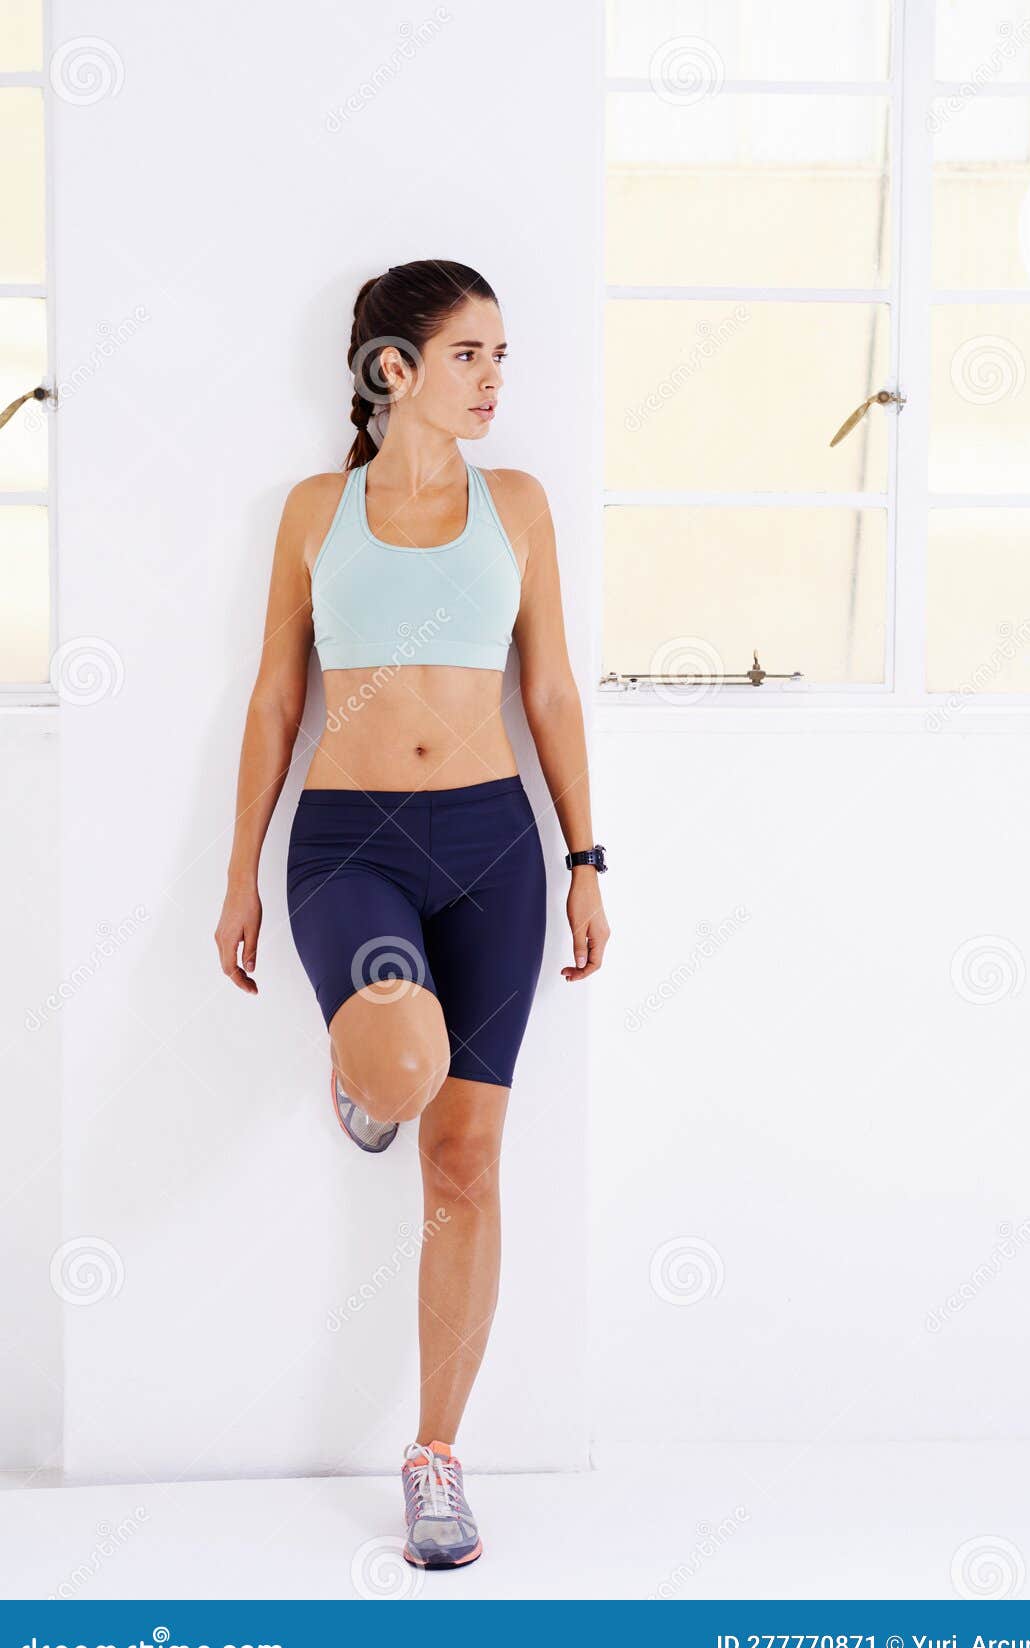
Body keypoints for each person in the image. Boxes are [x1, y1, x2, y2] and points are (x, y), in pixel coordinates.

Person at [214, 258, 609, 1569]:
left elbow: (548, 692)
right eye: (470, 355)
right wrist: (236, 871)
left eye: (504, 356)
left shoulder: (524, 508)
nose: (496, 379)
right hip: (352, 848)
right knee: (404, 1055)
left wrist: (589, 855)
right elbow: (277, 700)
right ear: (396, 369)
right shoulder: (316, 510)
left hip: (496, 849)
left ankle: (436, 1452)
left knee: (466, 1164)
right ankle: (375, 1075)